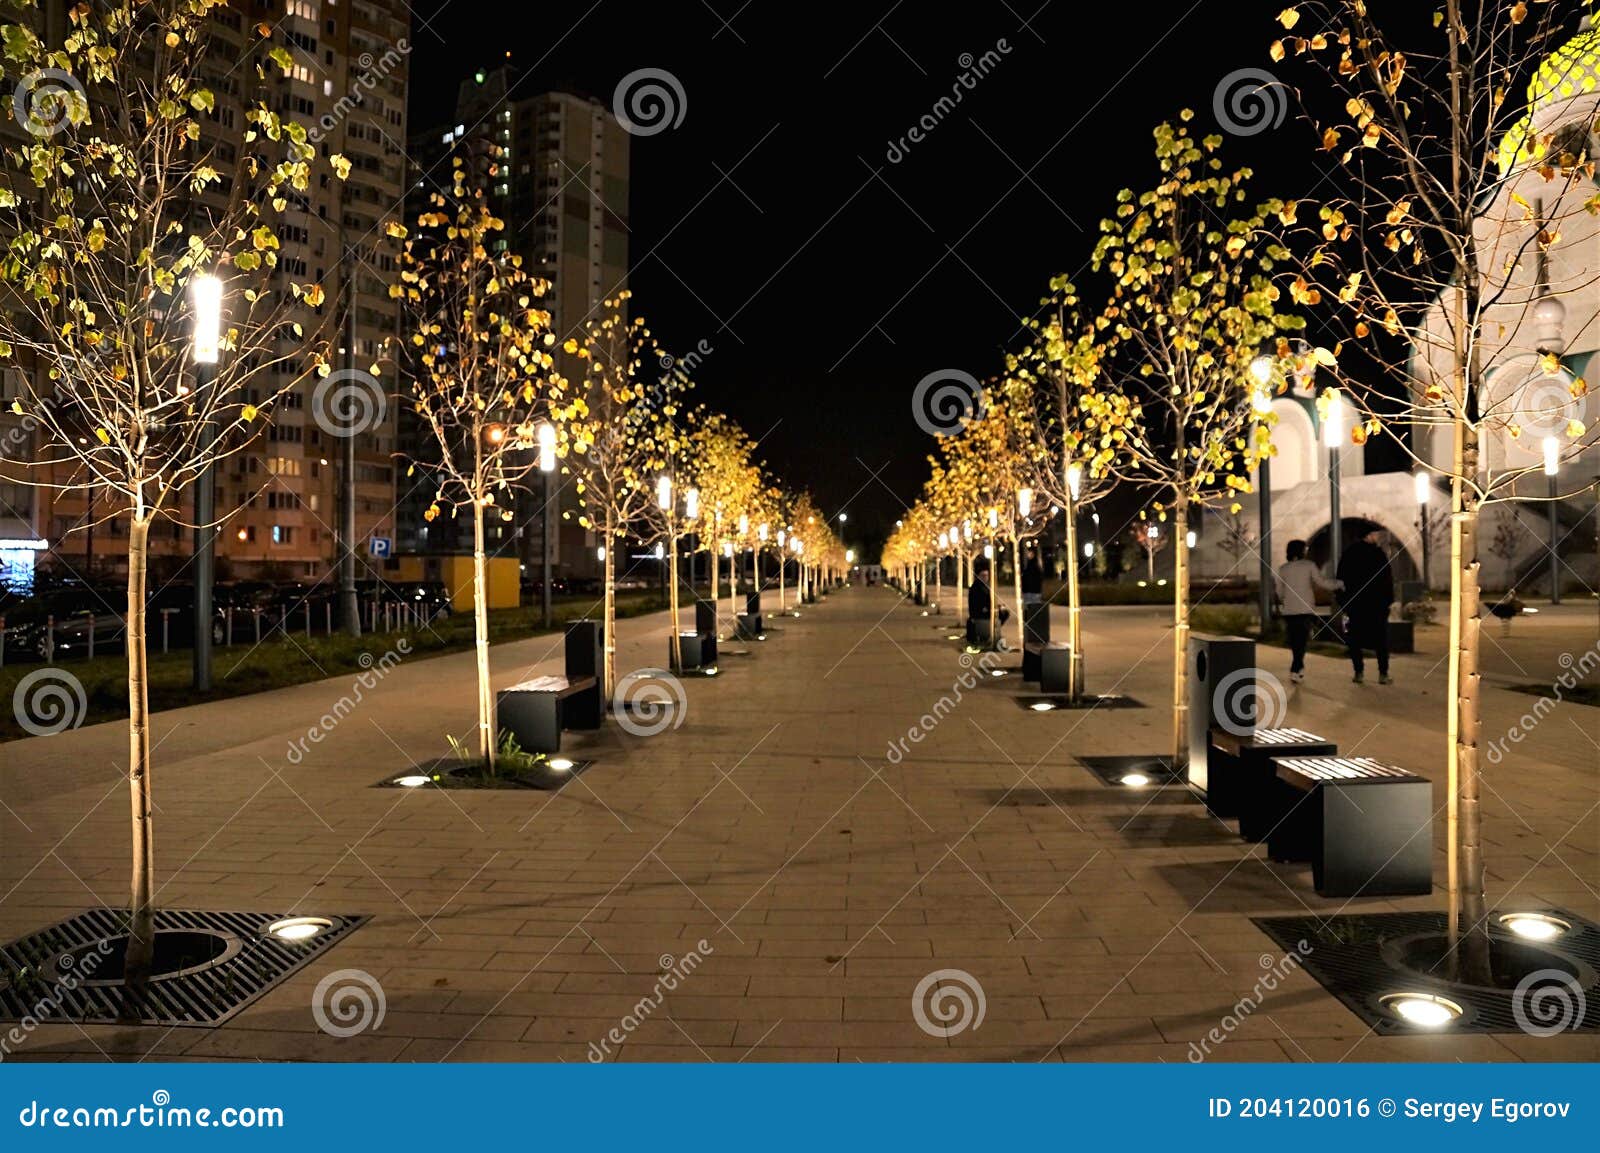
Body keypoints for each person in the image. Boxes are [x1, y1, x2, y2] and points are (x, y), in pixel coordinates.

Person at [1275, 539, 1342, 683]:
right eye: (1305, 549)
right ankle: (1296, 668)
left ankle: (1297, 668)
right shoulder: (1309, 565)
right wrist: (1339, 584)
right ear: (1301, 551)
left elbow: (1279, 592)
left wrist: (1286, 600)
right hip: (1305, 608)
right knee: (1302, 640)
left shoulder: (1283, 569)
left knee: (1294, 641)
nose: (1306, 551)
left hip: (1289, 610)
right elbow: (1322, 583)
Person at [1335, 528, 1395, 684]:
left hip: (1355, 604)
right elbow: (1387, 579)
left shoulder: (1349, 554)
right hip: (1377, 605)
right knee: (1381, 639)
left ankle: (1358, 672)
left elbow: (1341, 580)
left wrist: (1343, 602)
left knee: (1354, 639)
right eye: (1375, 534)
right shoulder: (1378, 554)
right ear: (1369, 535)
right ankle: (1383, 673)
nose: (1378, 537)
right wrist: (1388, 601)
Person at [967, 556, 1010, 648]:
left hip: (983, 611)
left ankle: (993, 631)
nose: (985, 578)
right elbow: (981, 604)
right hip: (979, 613)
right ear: (978, 576)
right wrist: (995, 608)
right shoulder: (977, 588)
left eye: (987, 576)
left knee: (1003, 613)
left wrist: (997, 606)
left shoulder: (982, 586)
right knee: (1003, 614)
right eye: (983, 576)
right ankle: (992, 632)